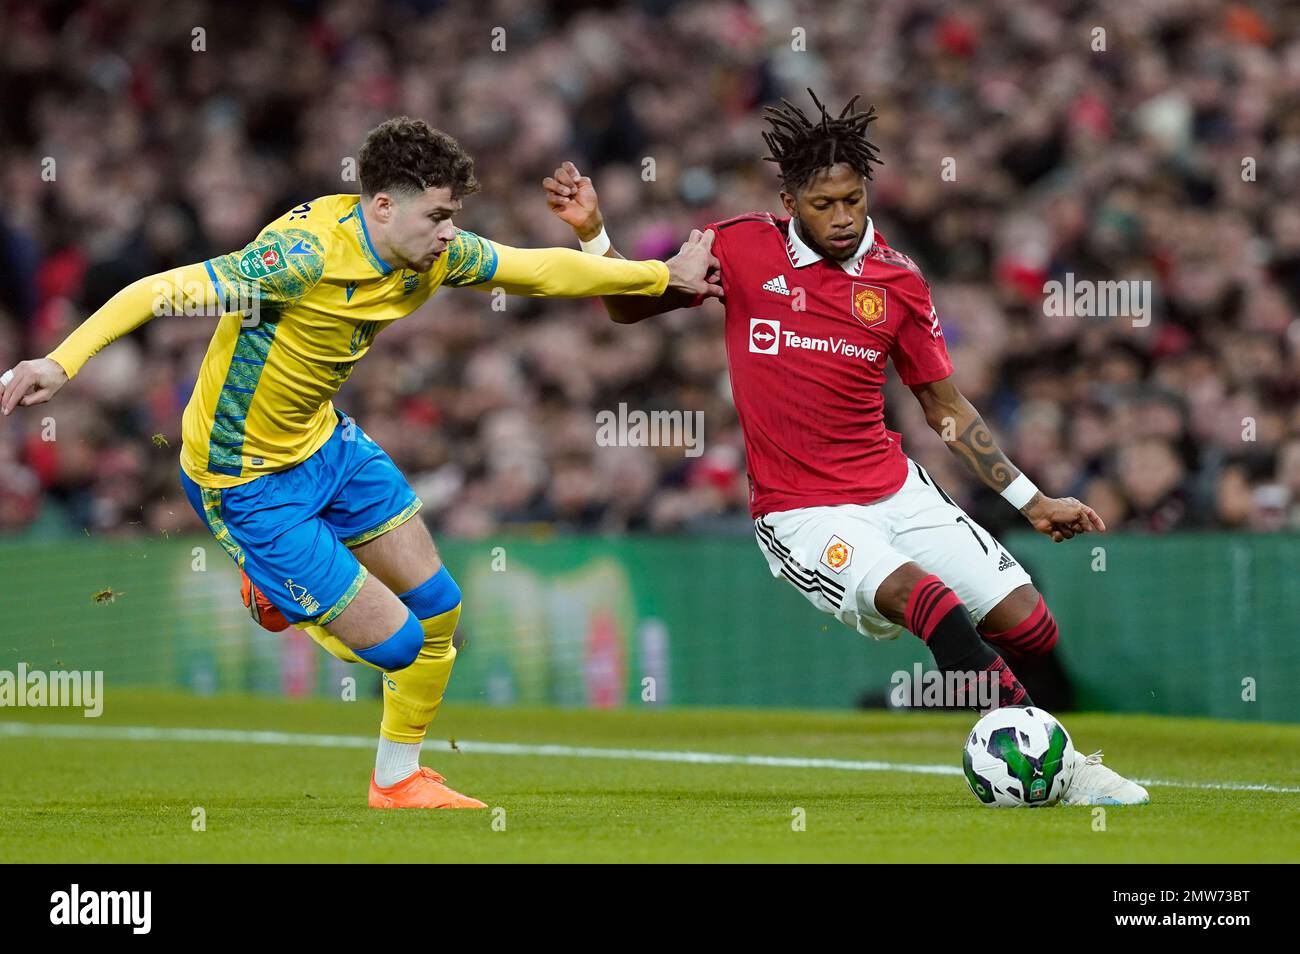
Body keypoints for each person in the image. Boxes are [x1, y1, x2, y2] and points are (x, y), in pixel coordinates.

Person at [1, 116, 721, 809]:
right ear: (382, 206)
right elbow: (157, 291)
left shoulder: (436, 254)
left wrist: (659, 274)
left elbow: (540, 270)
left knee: (441, 610)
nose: (449, 233)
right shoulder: (301, 258)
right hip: (244, 477)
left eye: (452, 217)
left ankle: (397, 782)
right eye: (437, 216)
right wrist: (60, 363)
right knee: (402, 644)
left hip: (326, 445)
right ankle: (274, 587)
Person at [542, 91, 1147, 805]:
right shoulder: (739, 246)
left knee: (1030, 624)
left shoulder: (899, 281)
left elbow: (945, 409)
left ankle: (1028, 736)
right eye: (823, 204)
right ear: (789, 200)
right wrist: (593, 234)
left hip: (895, 489)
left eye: (853, 201)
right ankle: (1063, 768)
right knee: (926, 600)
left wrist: (1032, 500)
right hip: (802, 512)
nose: (842, 218)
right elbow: (627, 304)